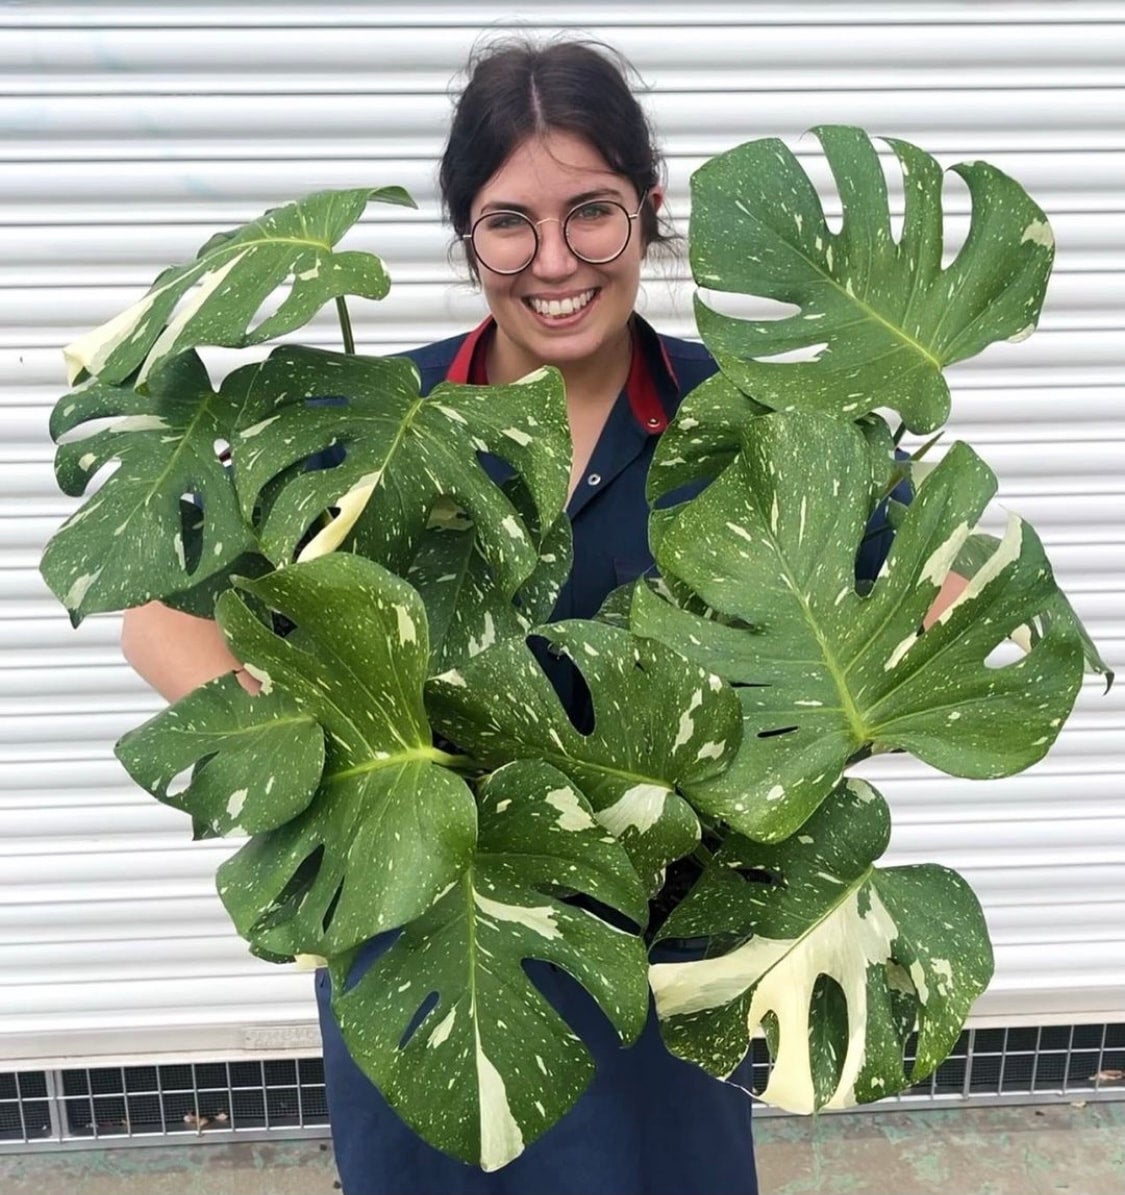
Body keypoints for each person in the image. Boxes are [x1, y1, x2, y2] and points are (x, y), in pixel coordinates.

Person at [121, 35, 966, 1195]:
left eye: (593, 212)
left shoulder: (751, 422)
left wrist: (842, 712)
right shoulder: (383, 421)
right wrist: (341, 743)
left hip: (657, 943)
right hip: (438, 935)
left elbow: (947, 613)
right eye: (509, 220)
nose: (554, 259)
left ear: (650, 210)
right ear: (466, 233)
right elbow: (160, 617)